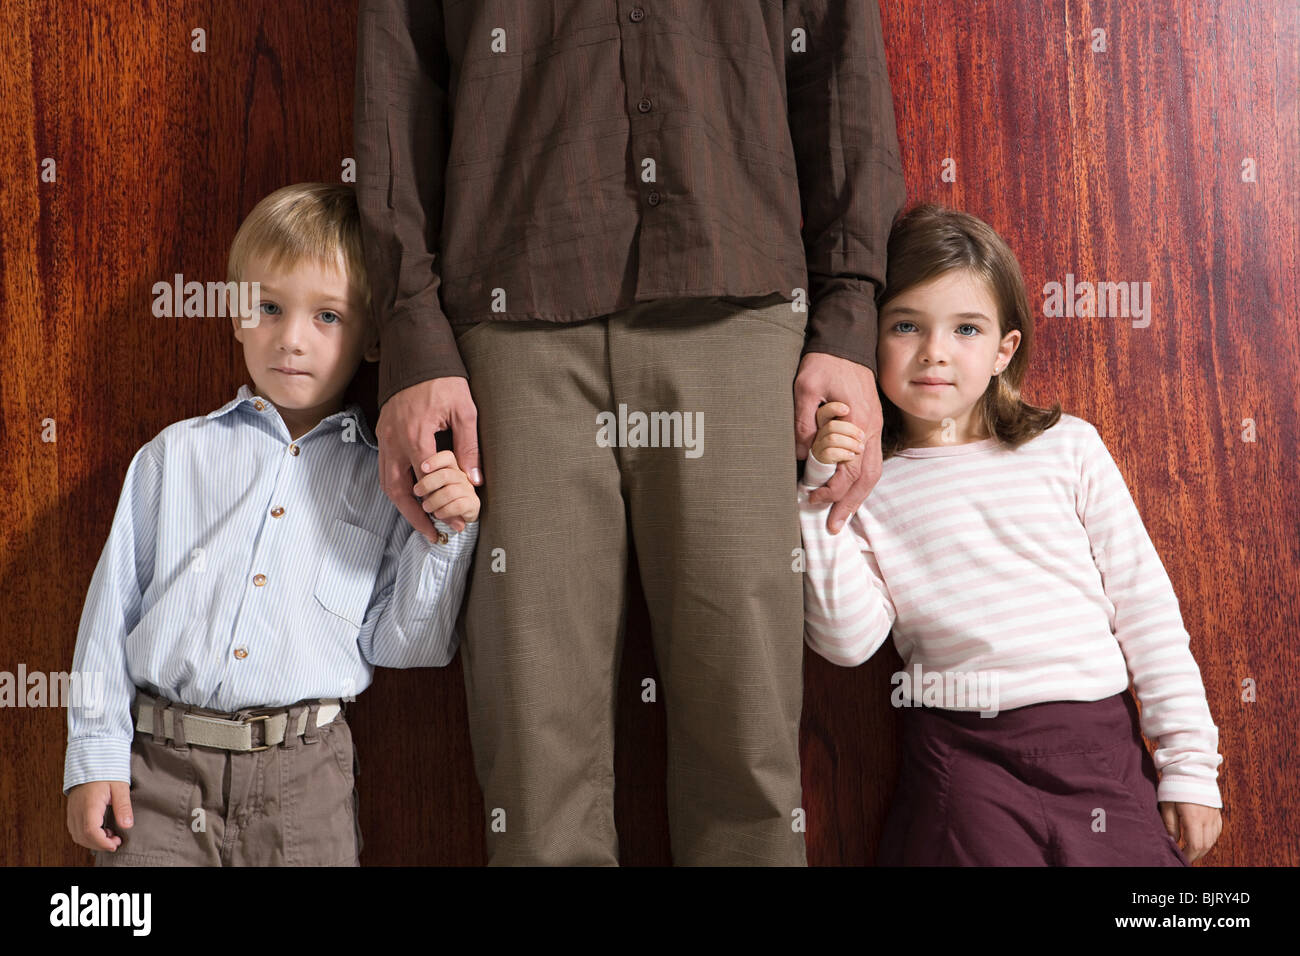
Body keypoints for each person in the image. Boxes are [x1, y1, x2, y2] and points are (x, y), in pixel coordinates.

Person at [354, 1, 906, 864]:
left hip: (738, 299)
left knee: (750, 754)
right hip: (511, 312)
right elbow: (398, 70)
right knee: (536, 780)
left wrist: (847, 319)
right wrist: (411, 332)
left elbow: (840, 62)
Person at [63, 183, 480, 866]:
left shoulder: (387, 482)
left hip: (305, 782)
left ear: (374, 337)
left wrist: (447, 535)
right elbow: (109, 617)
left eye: (327, 316)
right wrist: (94, 756)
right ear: (234, 313)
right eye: (269, 308)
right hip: (160, 776)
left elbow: (410, 646)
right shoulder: (174, 457)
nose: (291, 339)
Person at [798, 203, 1225, 865]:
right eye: (906, 325)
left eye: (965, 328)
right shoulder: (872, 484)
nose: (935, 352)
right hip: (962, 763)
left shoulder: (1068, 448)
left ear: (1004, 349)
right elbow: (848, 642)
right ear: (871, 342)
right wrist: (818, 485)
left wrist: (1191, 767)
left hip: (1099, 751)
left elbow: (1148, 613)